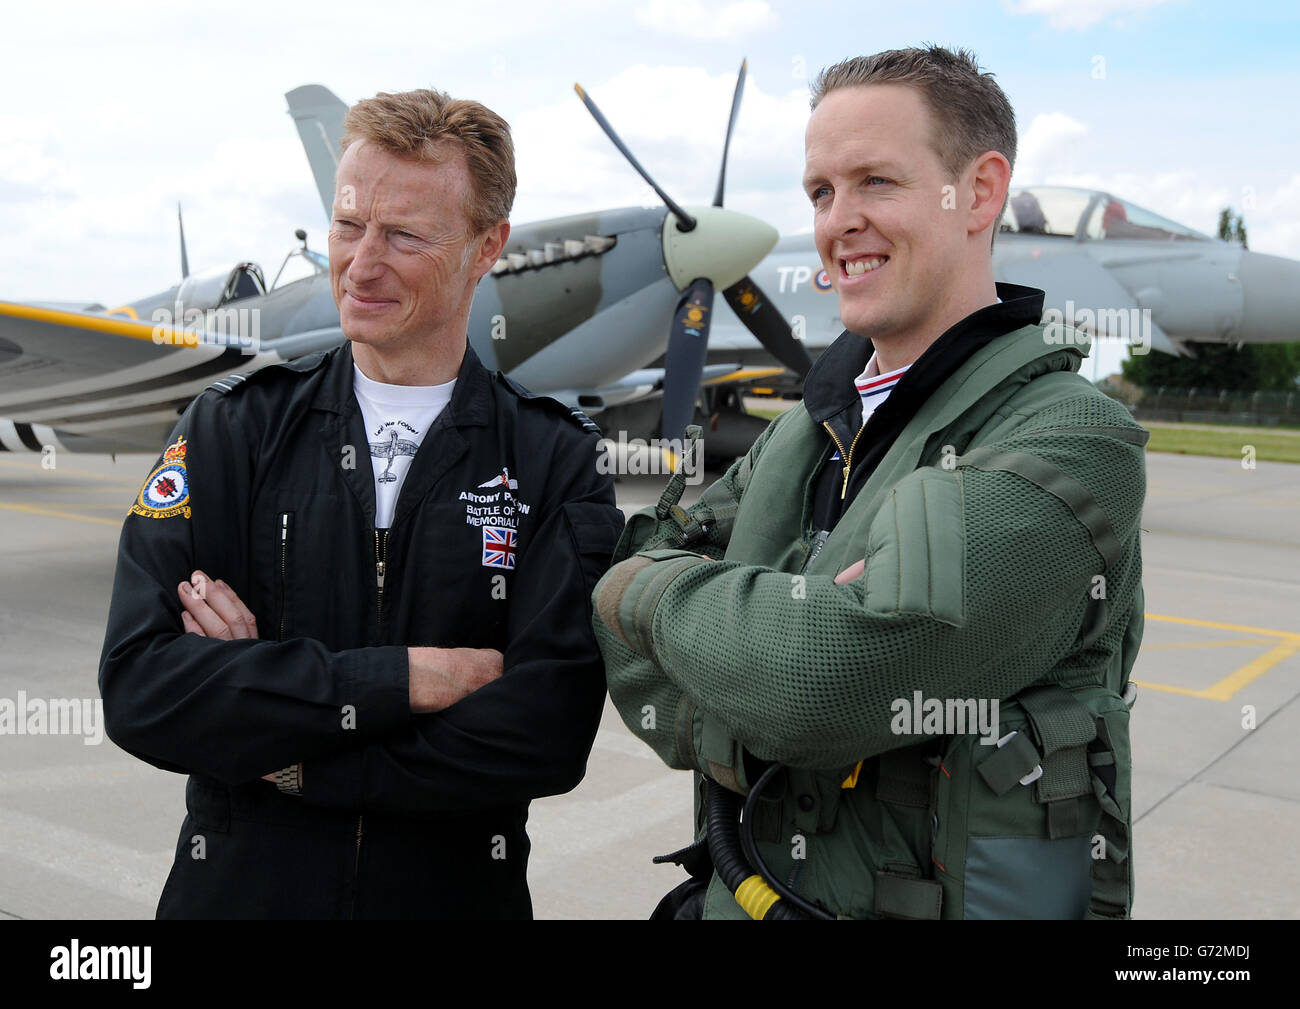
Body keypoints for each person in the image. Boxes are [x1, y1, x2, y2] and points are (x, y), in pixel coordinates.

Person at [594, 46, 1147, 920]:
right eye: (820, 192)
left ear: (981, 190)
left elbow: (822, 684)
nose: (837, 221)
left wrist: (651, 600)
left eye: (876, 182)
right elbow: (640, 618)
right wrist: (754, 644)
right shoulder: (797, 434)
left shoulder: (1075, 438)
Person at [99, 88, 624, 919]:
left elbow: (543, 737)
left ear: (488, 247)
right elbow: (142, 687)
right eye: (348, 225)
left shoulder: (554, 458)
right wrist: (407, 678)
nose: (361, 262)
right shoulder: (231, 429)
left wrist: (283, 748)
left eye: (405, 235)